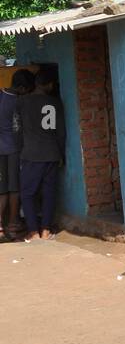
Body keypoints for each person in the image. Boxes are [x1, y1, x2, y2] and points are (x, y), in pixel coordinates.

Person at [18, 68, 64, 241]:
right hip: (52, 153)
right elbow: (61, 132)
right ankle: (45, 230)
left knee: (28, 193)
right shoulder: (56, 103)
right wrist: (61, 154)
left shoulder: (23, 102)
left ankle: (32, 231)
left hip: (31, 154)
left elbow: (17, 128)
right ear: (49, 85)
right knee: (49, 193)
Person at [0, 69, 33, 241]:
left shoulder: (1, 94)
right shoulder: (20, 102)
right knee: (14, 188)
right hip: (13, 149)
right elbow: (20, 129)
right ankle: (13, 224)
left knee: (2, 188)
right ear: (21, 88)